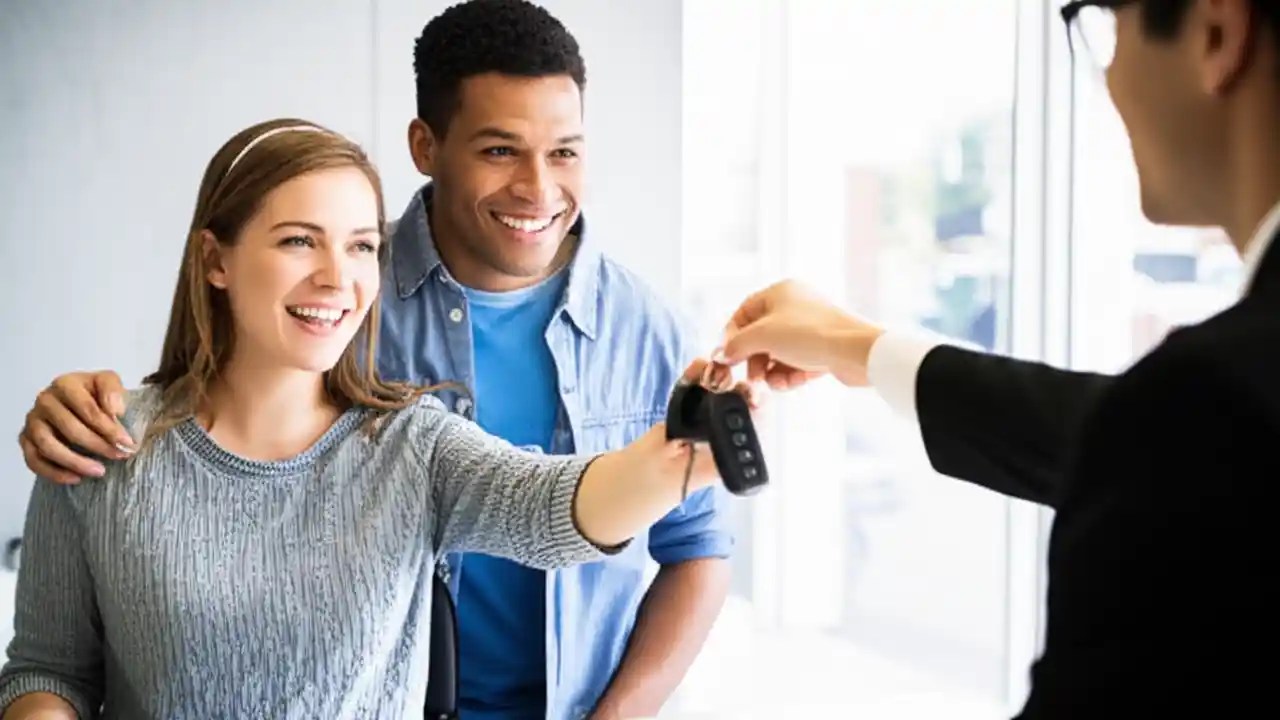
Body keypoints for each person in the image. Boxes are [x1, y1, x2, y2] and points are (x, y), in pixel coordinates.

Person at [12, 2, 731, 719]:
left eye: (360, 246)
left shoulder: (417, 439)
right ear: (215, 260)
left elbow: (558, 507)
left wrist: (688, 453)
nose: (337, 277)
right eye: (299, 241)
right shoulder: (113, 448)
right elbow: (49, 668)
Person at [706, 1, 1279, 717]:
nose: (1108, 76)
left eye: (1103, 23)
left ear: (1217, 34)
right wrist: (858, 348)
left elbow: (1178, 442)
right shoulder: (1205, 412)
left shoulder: (1210, 399)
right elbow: (1154, 441)